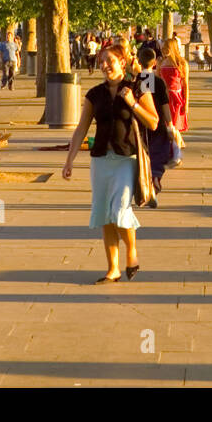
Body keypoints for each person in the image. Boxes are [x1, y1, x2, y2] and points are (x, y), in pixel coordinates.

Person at [64, 44, 160, 282]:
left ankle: (133, 252)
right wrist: (69, 160)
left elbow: (154, 122)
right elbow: (81, 129)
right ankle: (112, 268)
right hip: (100, 161)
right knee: (105, 215)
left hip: (126, 159)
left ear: (122, 62)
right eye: (101, 61)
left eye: (110, 61)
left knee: (119, 210)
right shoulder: (94, 94)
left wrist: (133, 104)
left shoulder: (137, 87)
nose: (105, 65)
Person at [136, 46, 186, 207]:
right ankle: (155, 178)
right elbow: (165, 105)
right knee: (159, 153)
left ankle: (147, 184)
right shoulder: (157, 81)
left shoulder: (137, 79)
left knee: (144, 154)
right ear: (155, 63)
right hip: (157, 123)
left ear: (138, 61)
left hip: (141, 123)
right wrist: (170, 124)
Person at [157, 37, 189, 132]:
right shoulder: (161, 62)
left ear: (171, 48)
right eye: (162, 48)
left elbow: (186, 85)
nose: (163, 51)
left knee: (174, 127)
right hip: (164, 97)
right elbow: (157, 79)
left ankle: (176, 145)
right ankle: (174, 145)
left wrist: (186, 103)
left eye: (165, 48)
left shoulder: (182, 63)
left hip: (176, 97)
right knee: (166, 127)